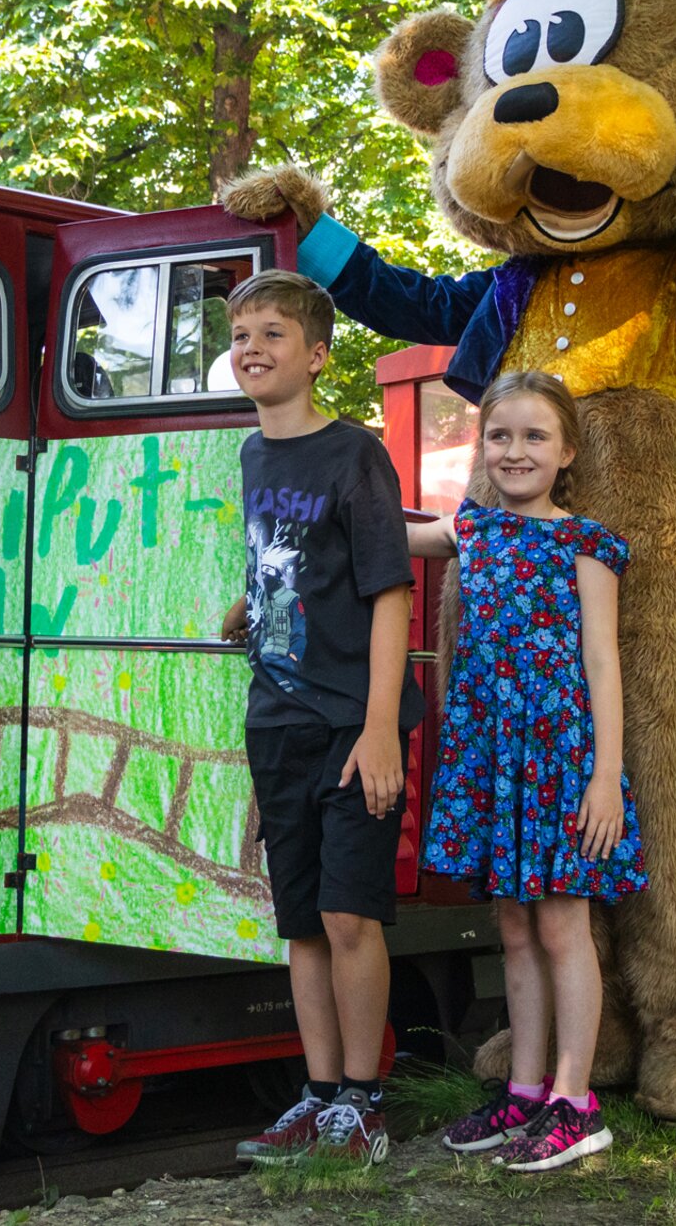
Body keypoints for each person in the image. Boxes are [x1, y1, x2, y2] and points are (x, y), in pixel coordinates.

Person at [408, 370, 646, 1173]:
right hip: (491, 754)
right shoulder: (472, 530)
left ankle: (577, 1102)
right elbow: (392, 532)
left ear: (567, 451)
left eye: (535, 435)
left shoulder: (585, 543)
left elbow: (604, 664)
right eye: (500, 435)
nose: (514, 450)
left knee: (559, 924)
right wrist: (313, 507)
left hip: (558, 756)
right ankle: (525, 1090)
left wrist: (606, 775)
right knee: (512, 925)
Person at [218, 269, 422, 1167]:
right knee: (299, 920)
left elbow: (386, 590)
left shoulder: (355, 453)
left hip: (351, 723)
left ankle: (365, 1106)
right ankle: (320, 1094)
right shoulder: (253, 455)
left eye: (271, 333)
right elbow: (289, 556)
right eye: (240, 336)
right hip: (277, 720)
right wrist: (247, 601)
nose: (252, 348)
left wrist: (381, 727)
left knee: (349, 916)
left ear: (316, 354)